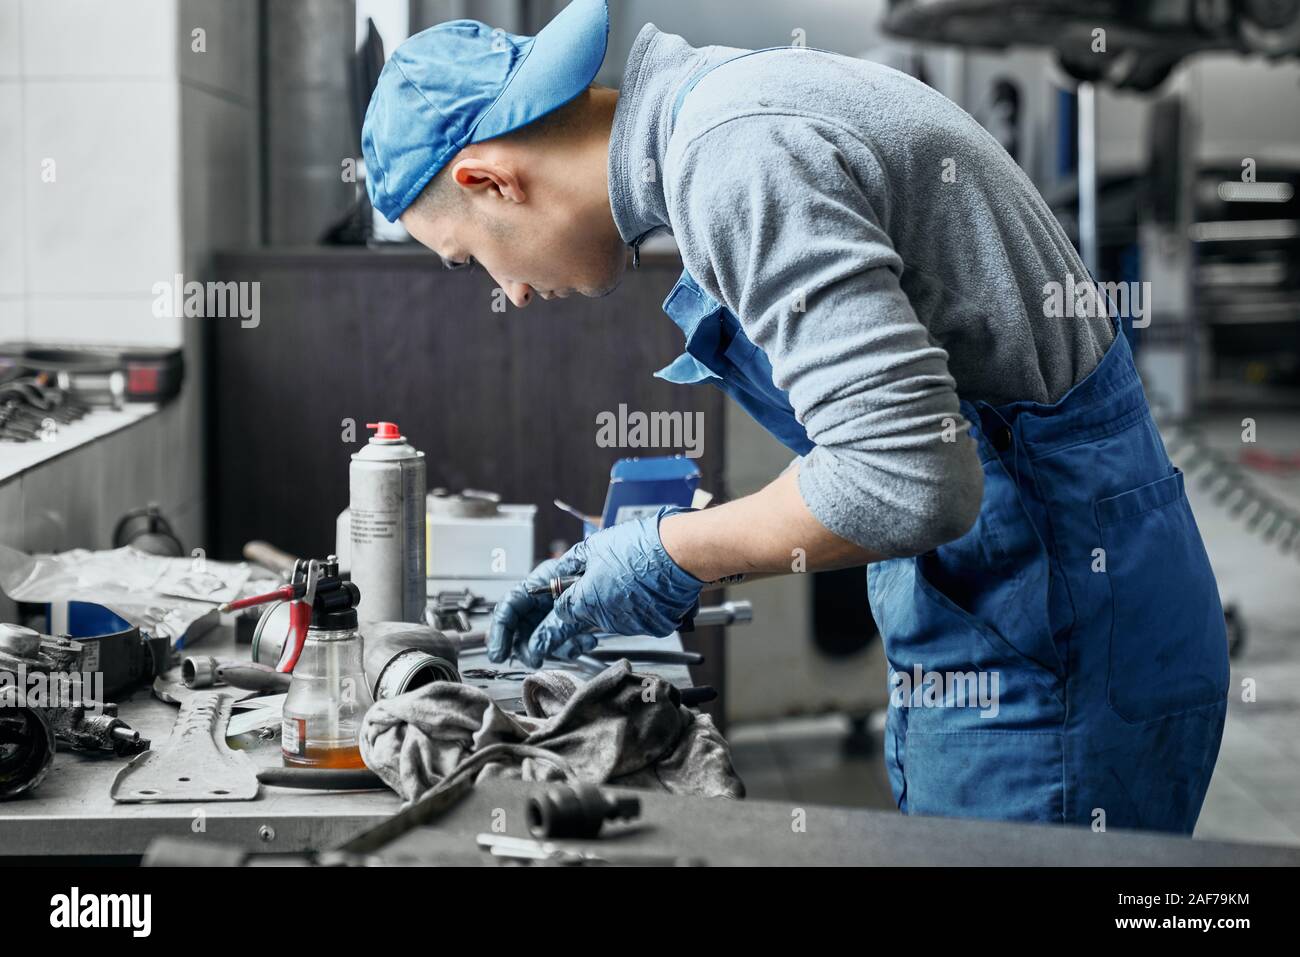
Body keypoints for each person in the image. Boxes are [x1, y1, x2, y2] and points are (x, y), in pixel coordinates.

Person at [361, 0, 1229, 832]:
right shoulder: (718, 112)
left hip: (1056, 644)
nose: (507, 292)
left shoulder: (735, 159)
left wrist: (669, 554)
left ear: (490, 180)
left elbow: (908, 479)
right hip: (1031, 605)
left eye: (470, 256)